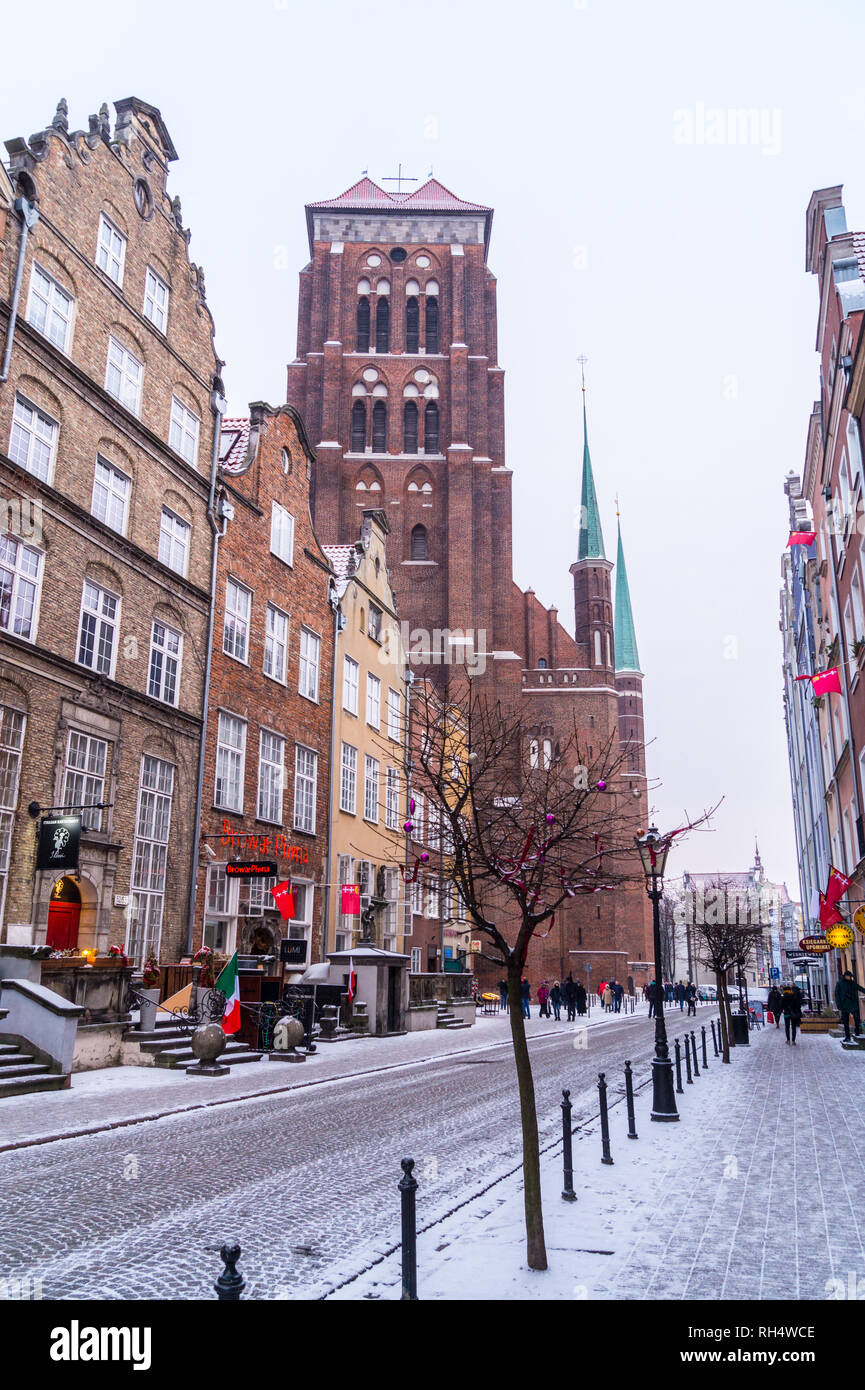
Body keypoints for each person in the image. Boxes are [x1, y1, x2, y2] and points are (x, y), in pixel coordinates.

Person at [834, 970, 865, 1041]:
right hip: (844, 1005)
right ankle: (847, 1037)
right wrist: (839, 1004)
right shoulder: (839, 983)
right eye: (849, 976)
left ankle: (857, 1032)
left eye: (851, 977)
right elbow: (836, 995)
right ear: (845, 976)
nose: (850, 978)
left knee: (857, 1018)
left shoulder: (852, 983)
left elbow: (860, 988)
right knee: (846, 1022)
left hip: (853, 1004)